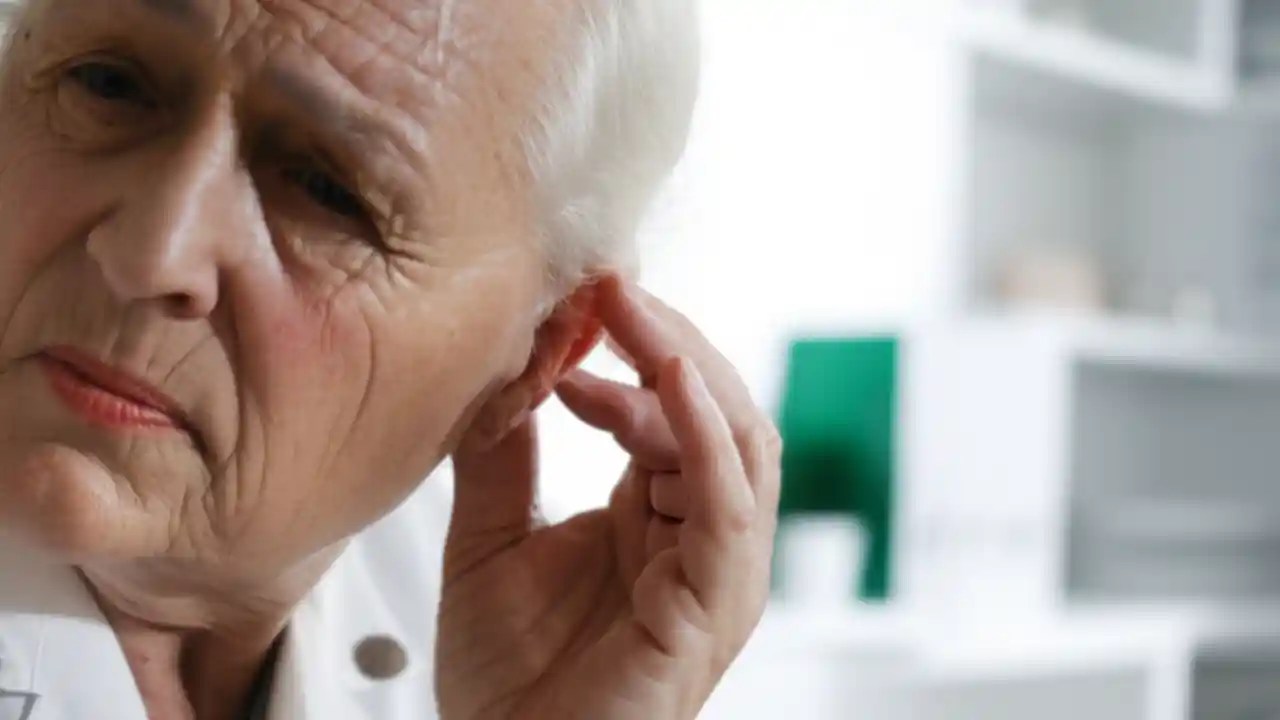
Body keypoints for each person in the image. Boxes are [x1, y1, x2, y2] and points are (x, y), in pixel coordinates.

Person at [0, 1, 782, 719]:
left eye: (326, 191)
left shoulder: (508, 636)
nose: (152, 253)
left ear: (533, 359)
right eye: (109, 85)